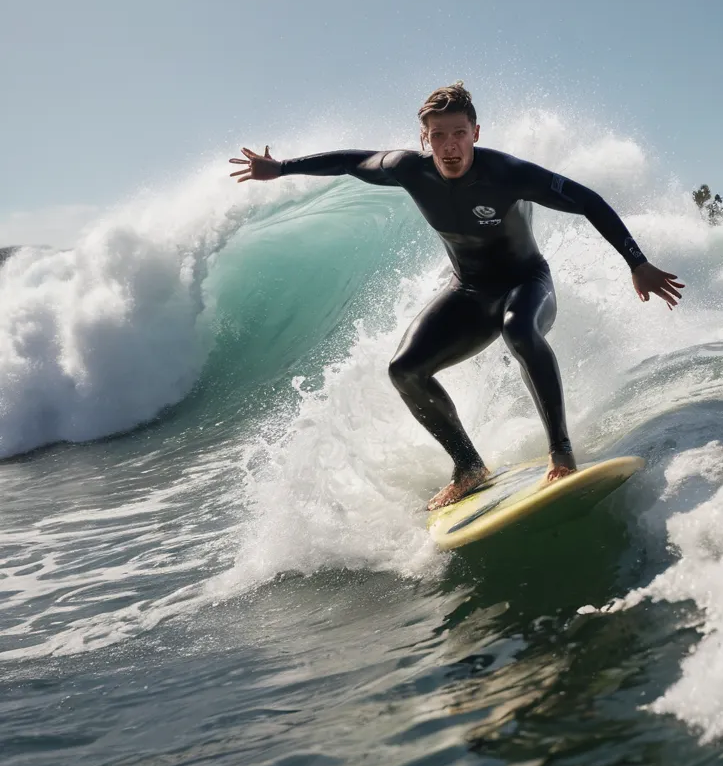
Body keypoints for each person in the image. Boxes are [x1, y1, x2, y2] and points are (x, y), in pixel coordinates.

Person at [230, 83, 683, 509]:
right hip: (469, 290)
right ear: (424, 139)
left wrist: (637, 262)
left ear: (475, 134)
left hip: (526, 282)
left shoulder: (506, 174)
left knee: (519, 332)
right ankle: (468, 466)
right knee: (405, 370)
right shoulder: (409, 169)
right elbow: (353, 161)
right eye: (438, 135)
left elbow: (587, 200)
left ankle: (561, 454)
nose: (450, 146)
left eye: (459, 134)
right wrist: (282, 168)